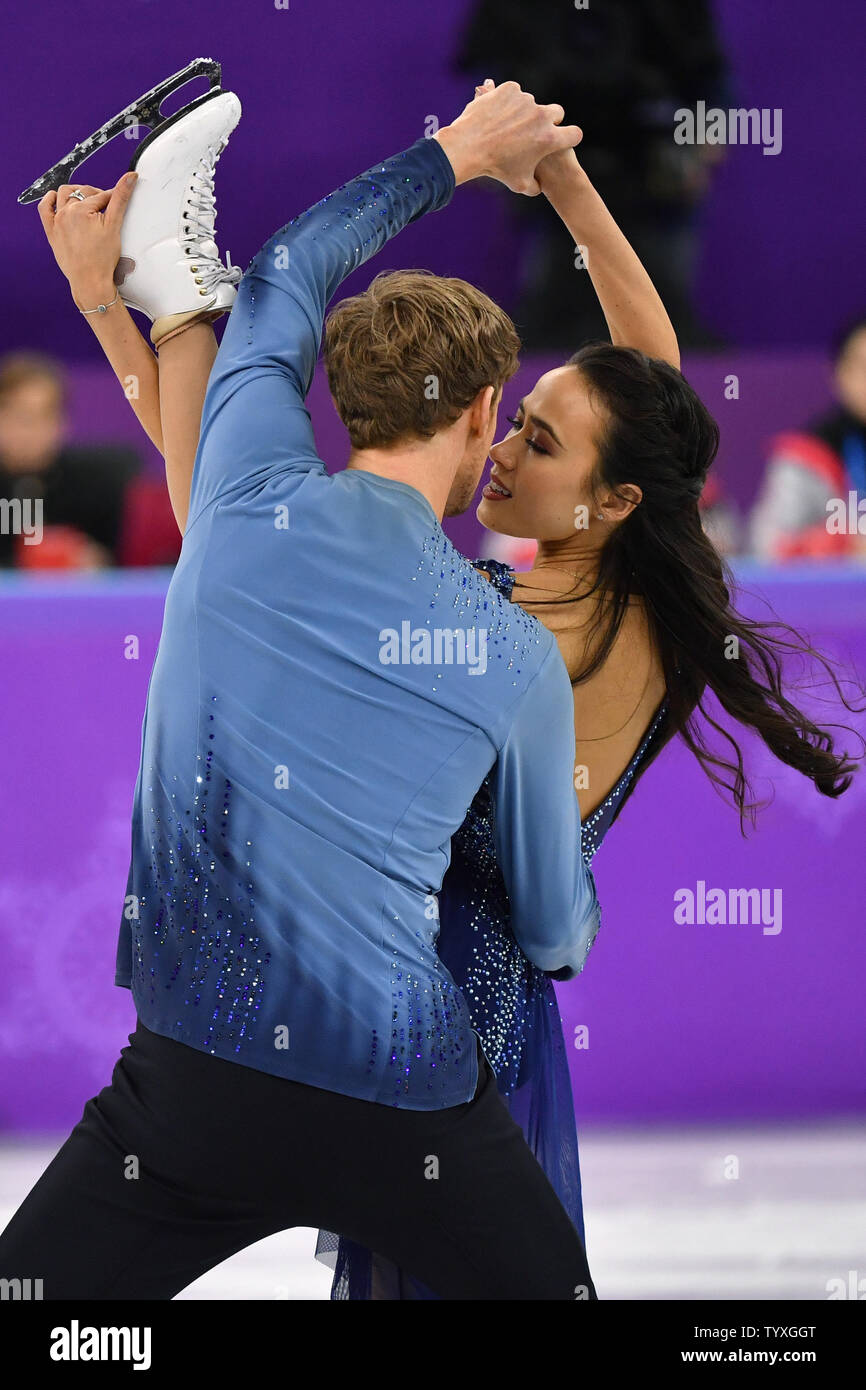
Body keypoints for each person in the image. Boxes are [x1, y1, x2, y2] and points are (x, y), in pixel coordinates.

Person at [32, 77, 863, 1301]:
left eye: (541, 440)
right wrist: (551, 173)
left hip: (471, 1022)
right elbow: (221, 492)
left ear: (618, 498)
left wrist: (149, 311)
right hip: (390, 1010)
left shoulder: (575, 624)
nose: (509, 448)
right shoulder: (485, 603)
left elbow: (649, 376)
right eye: (514, 418)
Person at [0, 77, 606, 1301]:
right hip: (411, 1112)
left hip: (187, 1105)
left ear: (335, 394)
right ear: (485, 411)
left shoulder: (235, 495)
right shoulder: (510, 652)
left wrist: (456, 152)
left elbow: (286, 269)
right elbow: (553, 933)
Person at [0, 351, 149, 568]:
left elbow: (116, 564)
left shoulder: (96, 484)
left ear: (62, 424)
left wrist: (92, 559)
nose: (28, 430)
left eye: (42, 416)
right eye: (19, 416)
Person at [749, 315, 866, 562]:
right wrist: (843, 544)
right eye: (864, 367)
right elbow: (769, 546)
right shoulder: (805, 455)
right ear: (840, 374)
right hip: (839, 598)